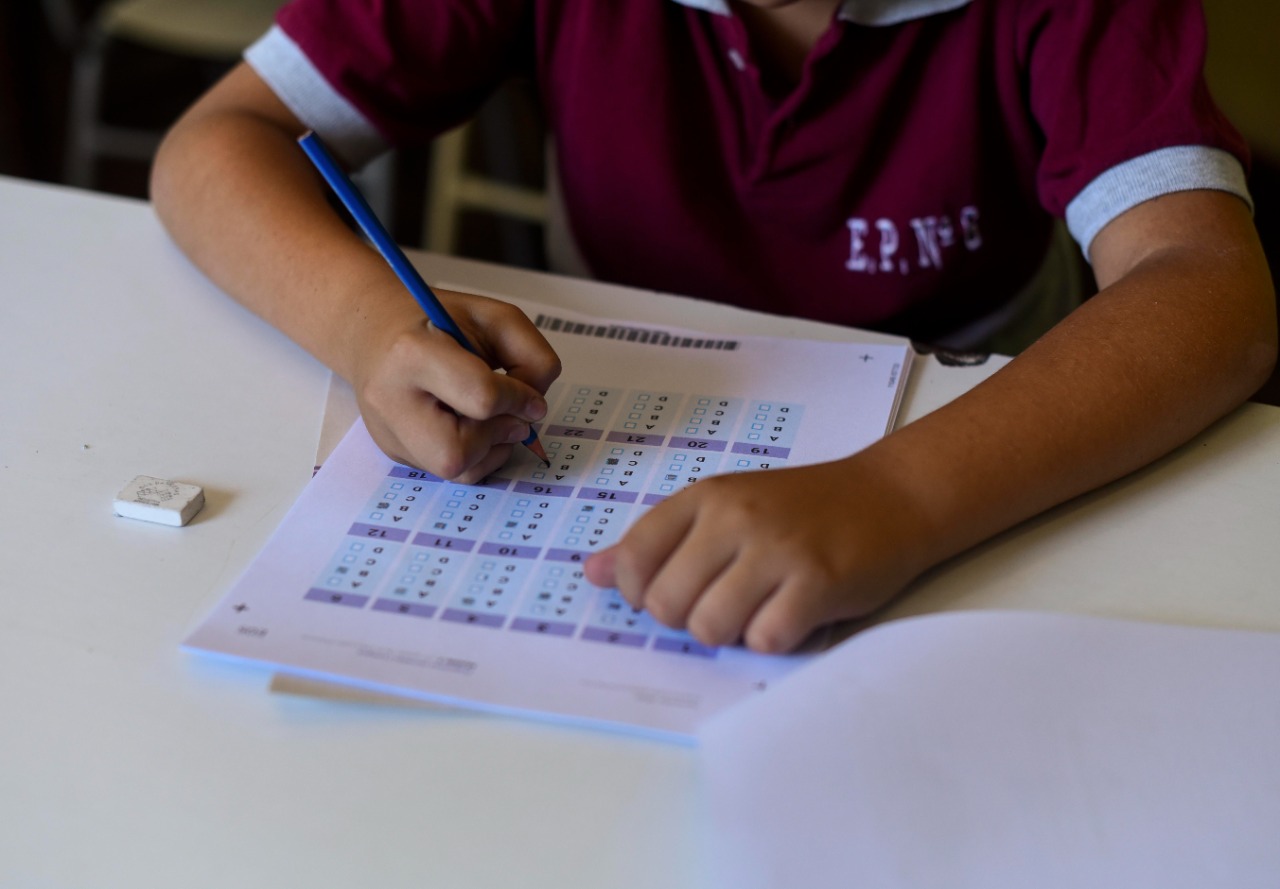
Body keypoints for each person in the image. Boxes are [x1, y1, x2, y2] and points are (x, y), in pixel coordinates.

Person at [150, 0, 1276, 654]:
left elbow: (1208, 288)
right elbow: (218, 143)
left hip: (982, 430)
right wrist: (362, 317)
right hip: (625, 418)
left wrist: (897, 498)